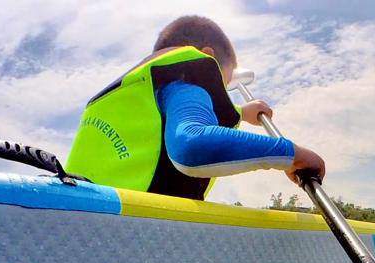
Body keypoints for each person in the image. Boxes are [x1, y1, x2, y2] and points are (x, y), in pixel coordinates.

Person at [66, 15, 325, 200]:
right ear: (208, 57)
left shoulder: (134, 90)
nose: (216, 95)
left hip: (78, 217)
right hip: (132, 233)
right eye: (223, 82)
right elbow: (192, 144)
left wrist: (239, 113)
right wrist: (294, 155)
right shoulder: (189, 79)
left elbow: (169, 117)